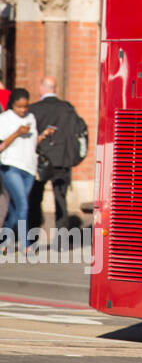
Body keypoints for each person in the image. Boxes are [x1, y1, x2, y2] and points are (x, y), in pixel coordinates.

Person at [0, 89, 56, 252]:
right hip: (11, 166)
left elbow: (31, 143)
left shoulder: (31, 118)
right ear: (13, 105)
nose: (23, 110)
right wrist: (17, 133)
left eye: (25, 107)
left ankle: (3, 241)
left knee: (16, 208)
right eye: (19, 107)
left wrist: (44, 135)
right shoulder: (4, 119)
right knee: (23, 205)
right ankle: (26, 244)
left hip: (29, 168)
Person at [28, 77, 86, 229]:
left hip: (40, 159)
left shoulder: (34, 109)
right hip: (62, 159)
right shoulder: (67, 109)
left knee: (35, 199)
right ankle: (61, 241)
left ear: (42, 88)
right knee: (61, 200)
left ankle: (31, 240)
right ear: (56, 89)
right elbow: (79, 131)